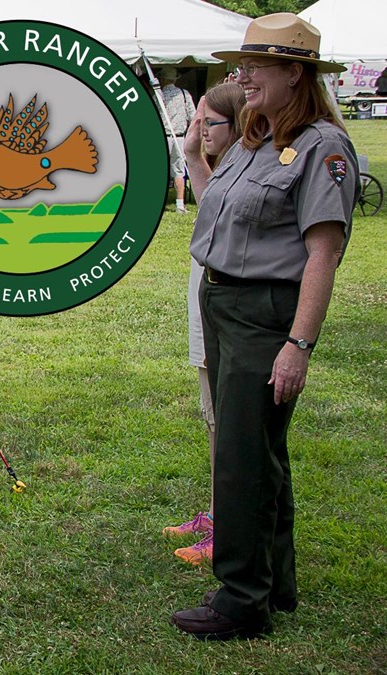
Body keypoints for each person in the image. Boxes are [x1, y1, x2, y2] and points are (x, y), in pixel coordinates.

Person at [172, 13, 357, 640]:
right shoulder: (255, 138)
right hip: (223, 305)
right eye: (241, 62)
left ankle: (241, 600)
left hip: (263, 315)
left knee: (243, 456)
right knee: (261, 452)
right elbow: (219, 210)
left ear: (294, 73)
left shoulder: (322, 147)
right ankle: (274, 583)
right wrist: (197, 154)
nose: (240, 75)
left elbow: (323, 254)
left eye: (256, 65)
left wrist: (297, 345)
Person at [164, 81, 246, 566]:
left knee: (228, 421)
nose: (198, 130)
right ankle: (218, 513)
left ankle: (229, 527)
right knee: (213, 415)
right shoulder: (231, 170)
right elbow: (212, 208)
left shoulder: (251, 170)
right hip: (210, 307)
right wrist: (195, 152)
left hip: (231, 310)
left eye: (208, 122)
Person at [159, 67, 197, 214]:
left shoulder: (159, 95)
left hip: (163, 137)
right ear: (175, 79)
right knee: (179, 171)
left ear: (162, 79)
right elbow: (192, 116)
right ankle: (180, 205)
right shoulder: (184, 94)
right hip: (180, 137)